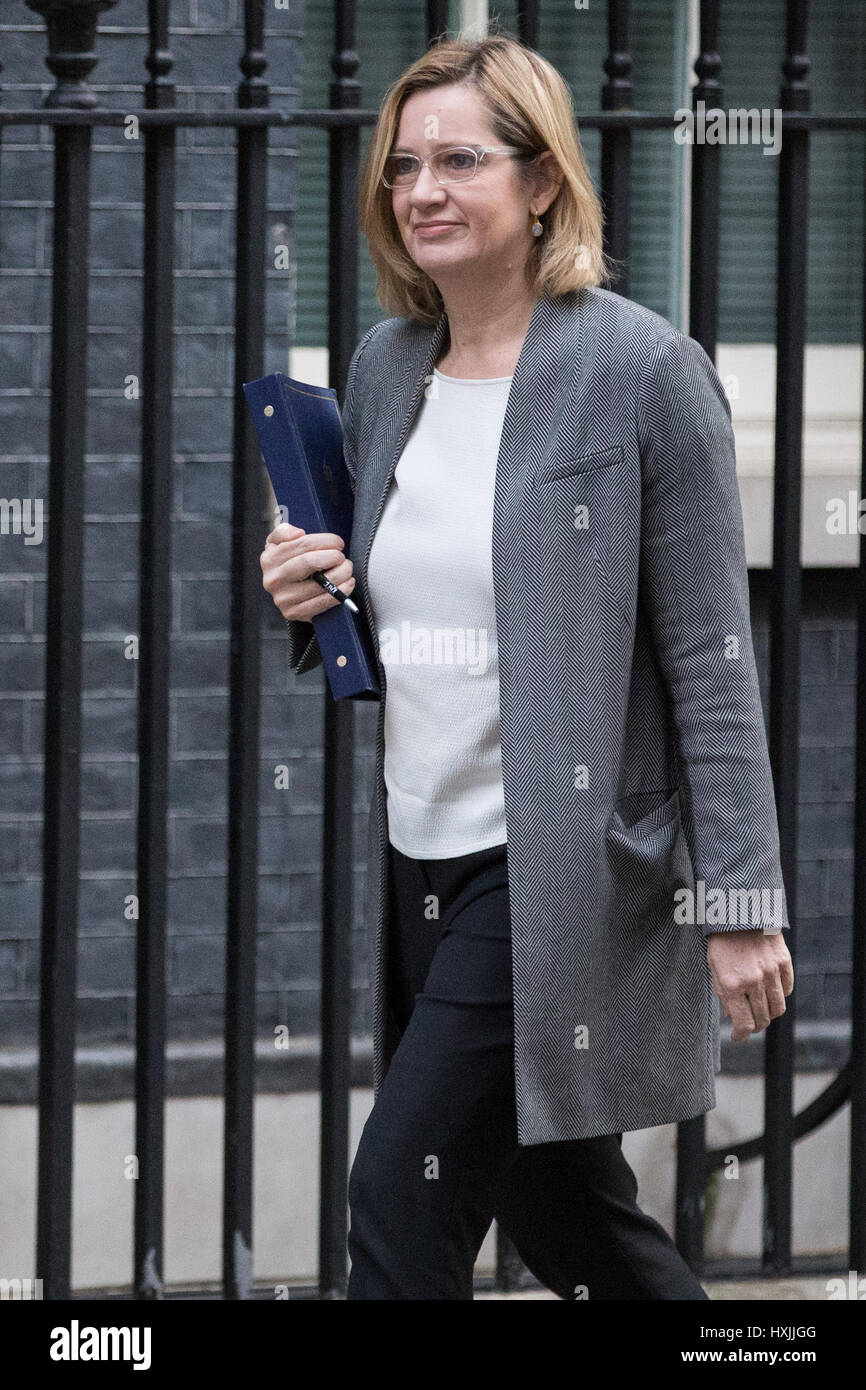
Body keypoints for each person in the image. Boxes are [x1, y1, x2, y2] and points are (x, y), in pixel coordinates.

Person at [260, 33, 794, 1300]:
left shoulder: (641, 374)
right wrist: (303, 595)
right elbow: (394, 598)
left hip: (564, 863)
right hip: (420, 852)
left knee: (400, 1188)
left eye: (460, 160)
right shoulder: (388, 368)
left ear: (542, 180)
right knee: (559, 1211)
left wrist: (739, 902)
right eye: (403, 168)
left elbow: (711, 657)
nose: (422, 190)